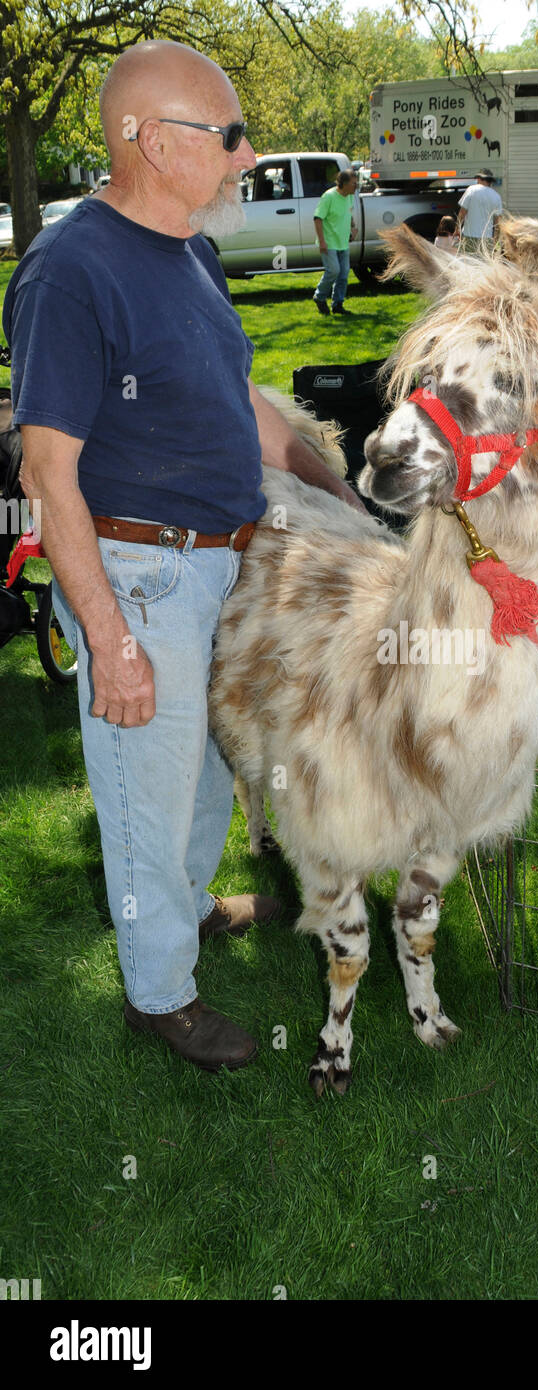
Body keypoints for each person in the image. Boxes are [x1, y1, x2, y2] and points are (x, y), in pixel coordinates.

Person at [3, 40, 364, 1072]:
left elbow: (233, 397)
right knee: (143, 791)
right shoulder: (70, 272)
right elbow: (49, 474)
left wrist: (327, 480)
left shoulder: (191, 250)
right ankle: (158, 992)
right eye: (230, 135)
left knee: (211, 767)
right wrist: (109, 639)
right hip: (137, 577)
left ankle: (190, 905)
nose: (249, 155)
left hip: (223, 565)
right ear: (155, 142)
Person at [312, 168, 358, 317]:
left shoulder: (350, 196)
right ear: (343, 184)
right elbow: (318, 218)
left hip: (343, 242)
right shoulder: (329, 197)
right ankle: (319, 297)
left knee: (344, 274)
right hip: (329, 242)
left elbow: (348, 213)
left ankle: (338, 304)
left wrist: (353, 227)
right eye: (353, 184)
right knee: (334, 271)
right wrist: (322, 242)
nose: (355, 186)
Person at [457, 169, 502, 253]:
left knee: (466, 263)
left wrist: (457, 229)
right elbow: (498, 224)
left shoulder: (471, 190)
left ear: (479, 178)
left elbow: (462, 213)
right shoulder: (496, 196)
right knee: (483, 264)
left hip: (469, 236)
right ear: (490, 181)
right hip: (486, 239)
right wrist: (496, 243)